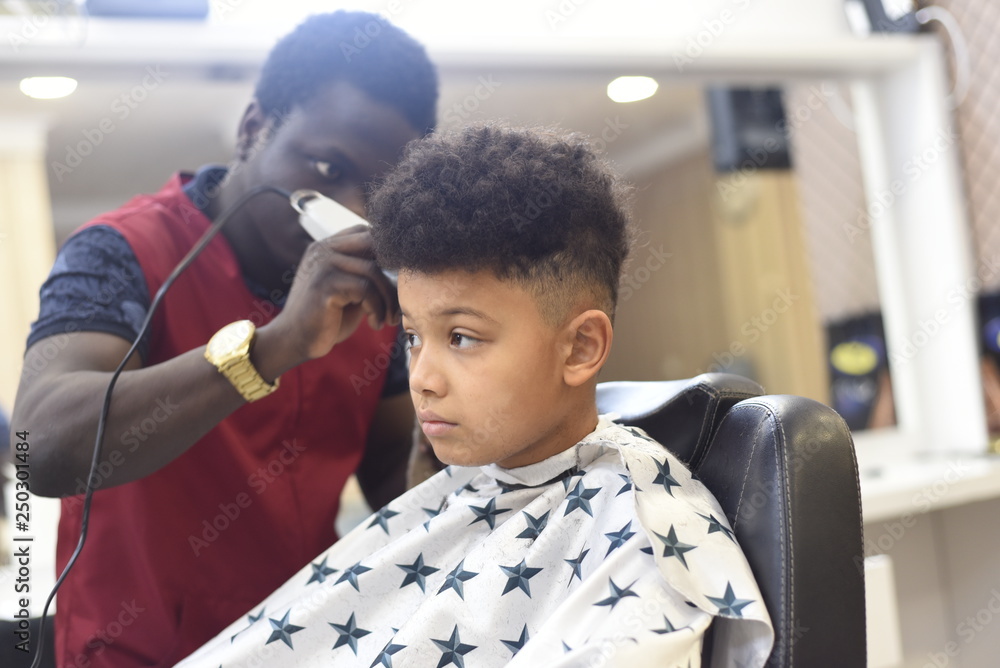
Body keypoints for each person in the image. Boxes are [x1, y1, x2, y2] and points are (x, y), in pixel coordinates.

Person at [175, 123, 774, 667]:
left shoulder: (643, 537)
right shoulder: (477, 484)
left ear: (580, 347)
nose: (422, 378)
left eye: (461, 337)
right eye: (412, 337)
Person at [10, 11, 438, 667]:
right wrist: (276, 345)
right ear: (251, 128)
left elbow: (390, 474)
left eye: (376, 193)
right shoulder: (120, 252)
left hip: (299, 647)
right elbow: (42, 448)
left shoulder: (374, 290)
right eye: (326, 166)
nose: (351, 211)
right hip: (132, 649)